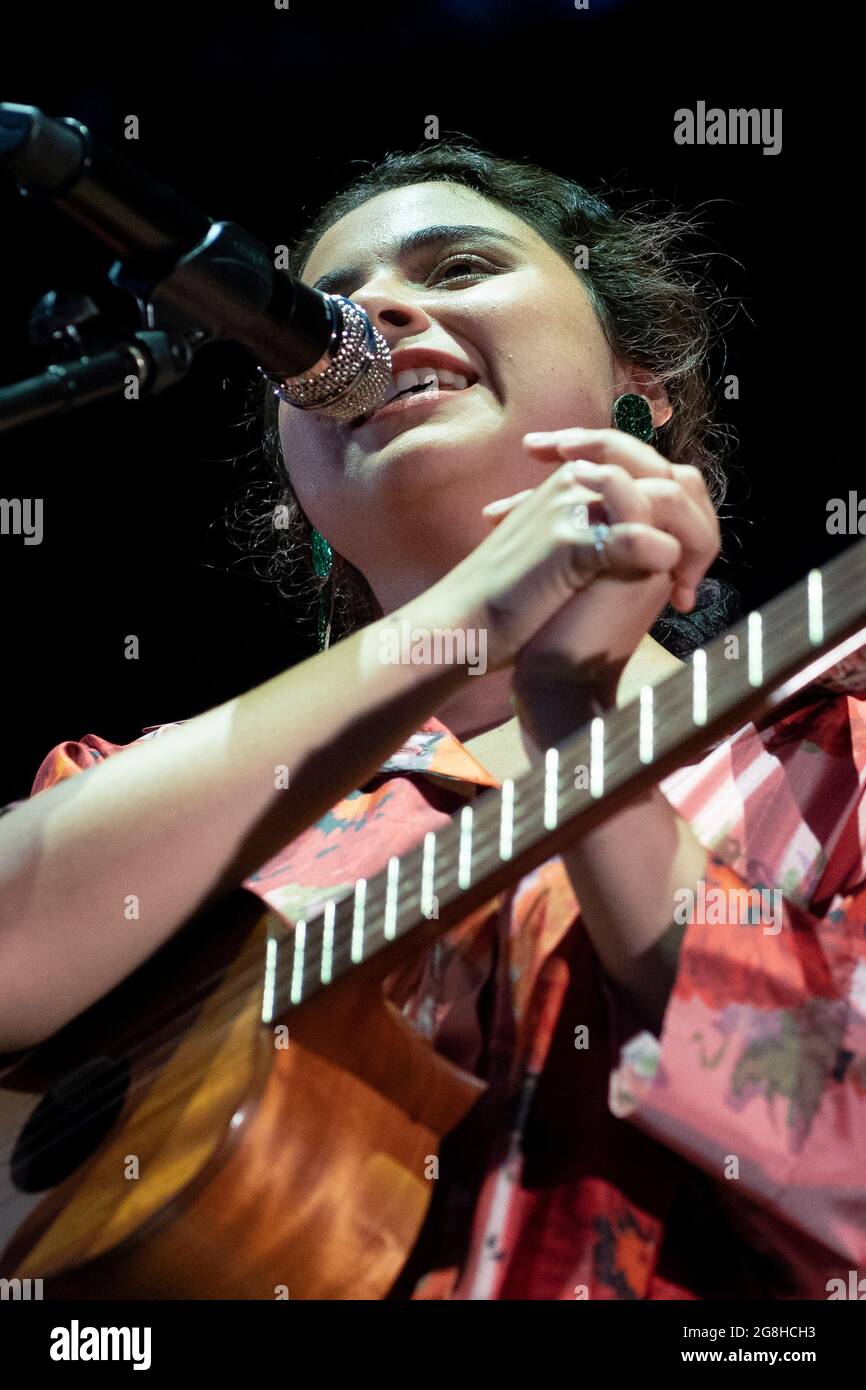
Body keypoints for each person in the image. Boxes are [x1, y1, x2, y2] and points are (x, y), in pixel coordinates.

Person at [1, 141, 864, 1299]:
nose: (378, 313)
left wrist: (579, 737)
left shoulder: (829, 752)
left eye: (458, 266)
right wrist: (462, 617)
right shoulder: (132, 774)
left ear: (641, 383)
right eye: (325, 307)